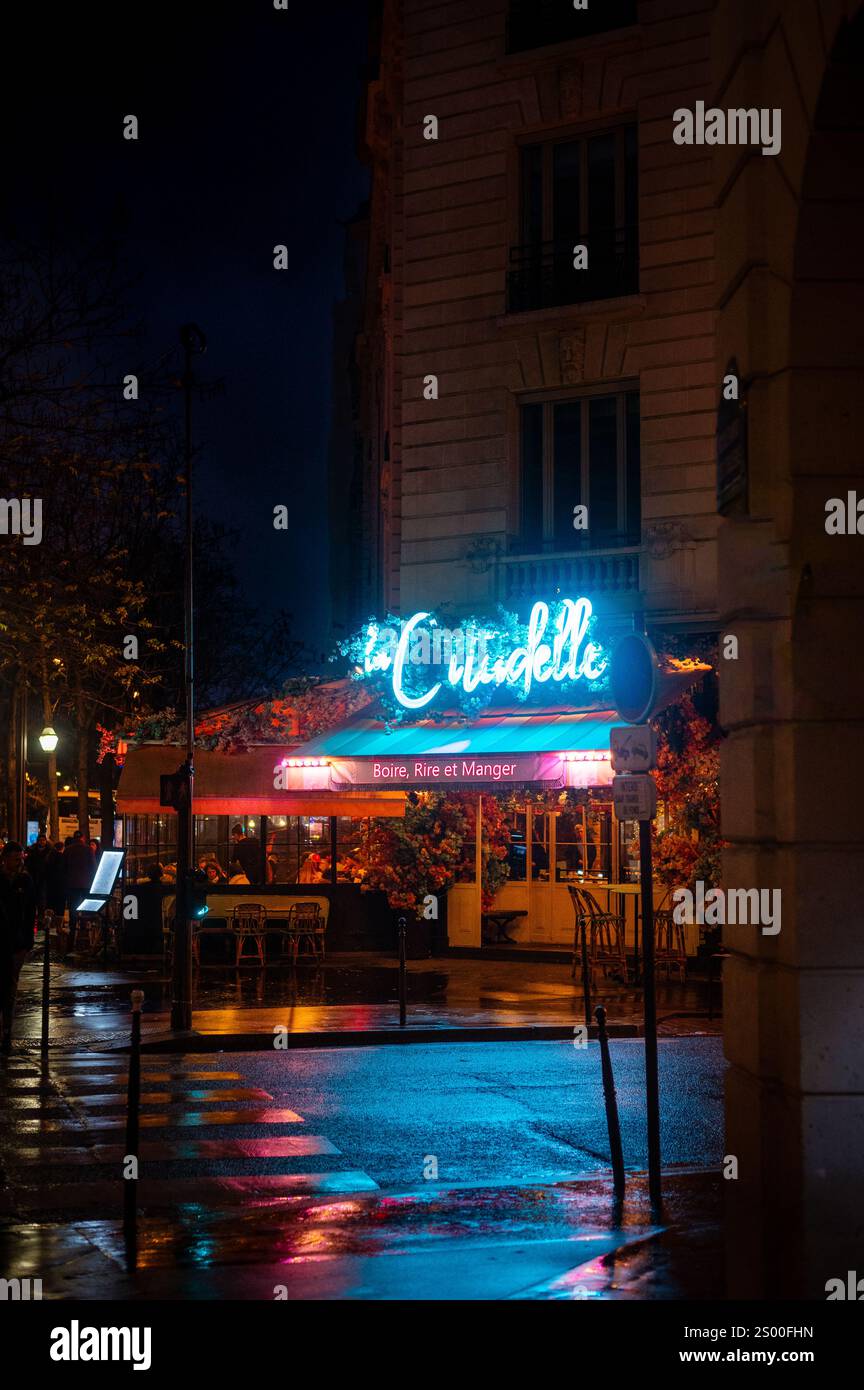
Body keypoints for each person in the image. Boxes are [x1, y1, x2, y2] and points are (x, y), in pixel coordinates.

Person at [0, 841, 37, 1053]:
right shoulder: (6, 880)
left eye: (20, 858)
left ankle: (7, 1031)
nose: (19, 862)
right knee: (5, 984)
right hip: (5, 939)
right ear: (5, 858)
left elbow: (30, 910)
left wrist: (28, 939)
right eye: (15, 858)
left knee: (10, 985)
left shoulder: (25, 879)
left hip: (17, 941)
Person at [63, 831, 95, 955]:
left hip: (71, 885)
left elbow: (63, 867)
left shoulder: (68, 850)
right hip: (86, 884)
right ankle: (84, 927)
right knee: (85, 908)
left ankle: (73, 927)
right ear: (83, 838)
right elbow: (93, 867)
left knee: (73, 908)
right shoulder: (88, 850)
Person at [25, 832, 52, 923]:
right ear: (37, 841)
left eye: (43, 840)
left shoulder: (49, 851)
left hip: (44, 877)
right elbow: (28, 863)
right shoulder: (32, 850)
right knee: (33, 896)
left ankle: (41, 915)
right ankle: (33, 914)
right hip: (33, 876)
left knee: (42, 897)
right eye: (40, 840)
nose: (41, 842)